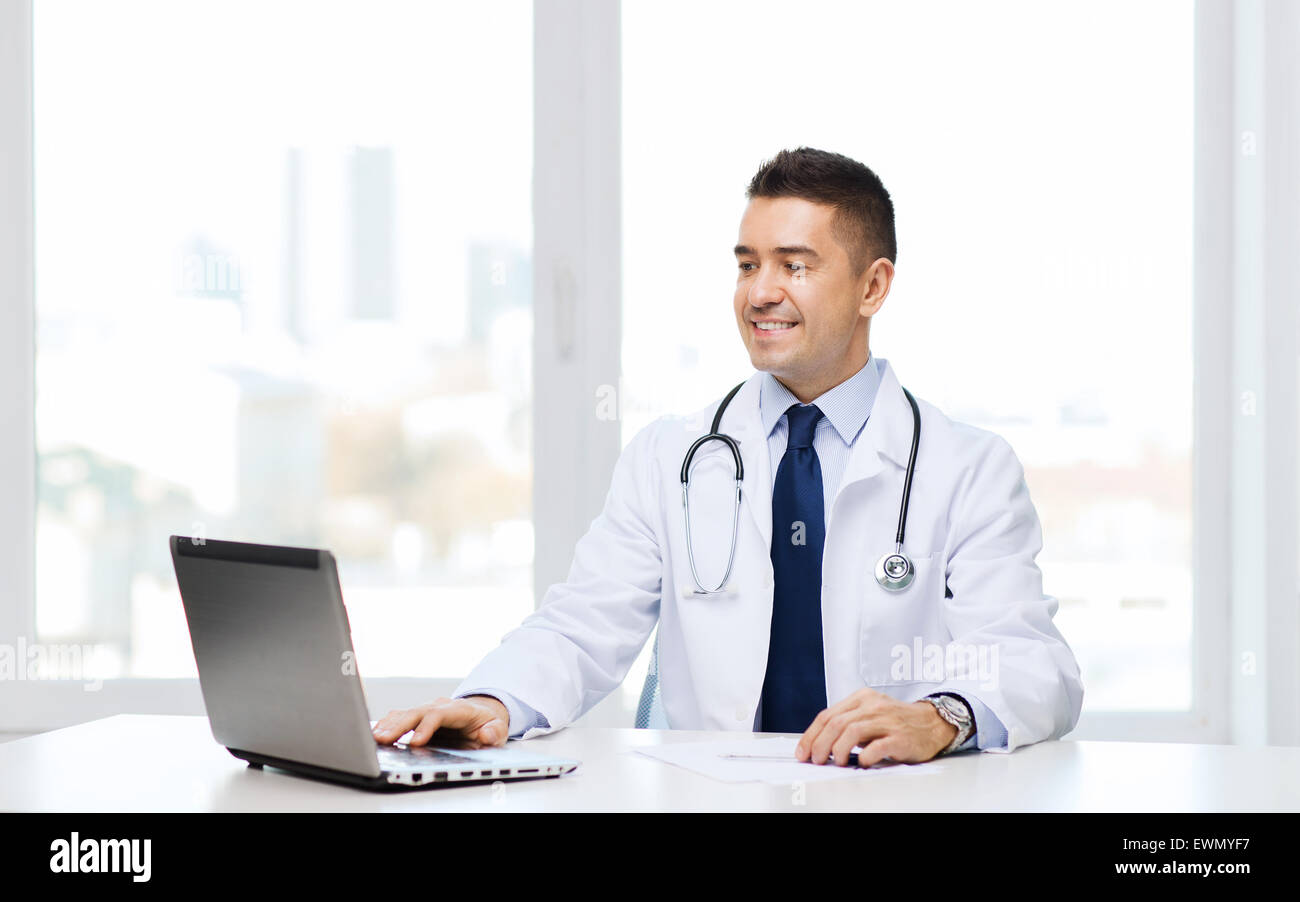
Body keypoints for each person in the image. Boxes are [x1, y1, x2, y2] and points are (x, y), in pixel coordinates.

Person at [373, 147, 1083, 766]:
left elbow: (1034, 662)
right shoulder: (670, 456)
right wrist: (495, 700)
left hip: (885, 799)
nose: (760, 292)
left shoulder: (968, 468)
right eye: (748, 265)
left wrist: (940, 717)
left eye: (794, 265)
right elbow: (583, 624)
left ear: (873, 286)